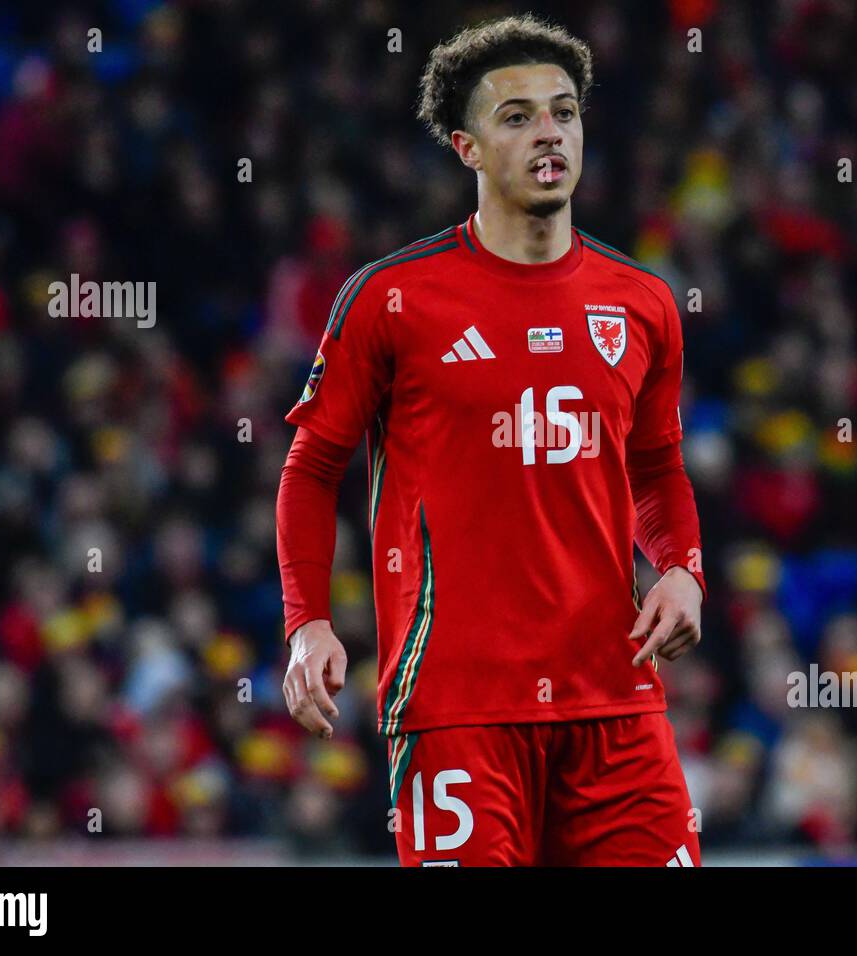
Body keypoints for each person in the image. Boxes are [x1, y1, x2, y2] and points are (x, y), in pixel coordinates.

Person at [276, 13, 706, 866]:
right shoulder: (393, 300)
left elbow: (655, 465)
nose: (549, 131)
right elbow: (312, 465)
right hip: (457, 709)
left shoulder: (643, 303)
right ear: (467, 147)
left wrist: (684, 570)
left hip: (615, 702)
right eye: (517, 117)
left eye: (564, 111)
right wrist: (308, 625)